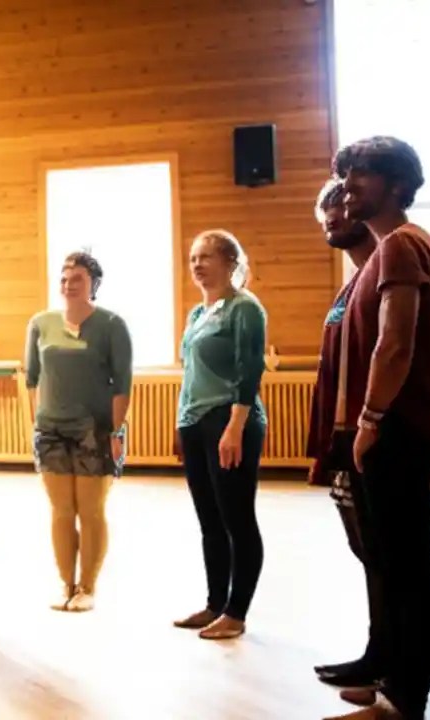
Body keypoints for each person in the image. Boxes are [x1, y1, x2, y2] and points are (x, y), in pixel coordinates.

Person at [326, 136, 430, 720]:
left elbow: (394, 343)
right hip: (389, 427)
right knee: (394, 563)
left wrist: (370, 419)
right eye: (346, 175)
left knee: (409, 567)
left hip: (395, 426)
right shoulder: (388, 249)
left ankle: (404, 702)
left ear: (398, 185)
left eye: (361, 175)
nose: (348, 185)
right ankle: (393, 684)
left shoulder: (401, 246)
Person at [304, 178, 386, 690]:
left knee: (386, 554)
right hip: (342, 439)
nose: (330, 218)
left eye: (338, 207)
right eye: (323, 212)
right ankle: (377, 652)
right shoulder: (351, 281)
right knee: (367, 551)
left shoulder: (385, 268)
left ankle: (391, 665)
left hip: (373, 438)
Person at [23, 251, 132, 612]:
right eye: (65, 278)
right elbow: (32, 379)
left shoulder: (112, 325)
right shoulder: (40, 324)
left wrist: (115, 435)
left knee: (91, 510)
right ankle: (64, 584)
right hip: (51, 429)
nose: (69, 285)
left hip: (94, 430)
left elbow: (122, 385)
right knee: (60, 510)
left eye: (78, 279)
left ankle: (88, 587)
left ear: (93, 285)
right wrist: (35, 425)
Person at [172, 229, 267, 641]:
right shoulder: (197, 315)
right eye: (193, 257)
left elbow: (250, 370)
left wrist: (234, 426)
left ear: (231, 262)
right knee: (209, 520)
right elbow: (191, 374)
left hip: (230, 422)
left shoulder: (243, 309)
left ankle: (236, 611)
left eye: (207, 256)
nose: (197, 264)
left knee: (237, 518)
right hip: (195, 423)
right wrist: (181, 425)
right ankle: (214, 603)